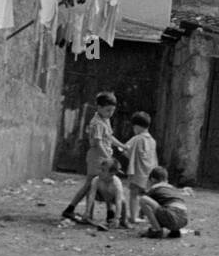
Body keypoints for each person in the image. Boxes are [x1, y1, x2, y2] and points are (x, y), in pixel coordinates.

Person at [61, 92, 127, 221]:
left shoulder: (105, 119)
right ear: (99, 108)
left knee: (107, 181)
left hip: (104, 157)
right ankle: (73, 209)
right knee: (90, 185)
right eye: (108, 110)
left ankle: (109, 213)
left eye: (112, 110)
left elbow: (109, 137)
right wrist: (109, 157)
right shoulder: (97, 123)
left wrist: (122, 145)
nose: (110, 113)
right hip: (97, 158)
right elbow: (98, 143)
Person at [121, 111, 158, 226]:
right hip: (148, 173)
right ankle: (145, 215)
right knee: (147, 195)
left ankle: (133, 217)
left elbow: (124, 150)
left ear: (136, 126)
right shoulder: (152, 141)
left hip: (137, 172)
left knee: (133, 194)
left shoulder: (137, 139)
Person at [140, 166, 190, 239]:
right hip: (184, 219)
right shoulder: (172, 187)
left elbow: (144, 209)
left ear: (152, 179)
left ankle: (157, 231)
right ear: (166, 179)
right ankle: (175, 231)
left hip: (171, 217)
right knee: (166, 205)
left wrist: (140, 214)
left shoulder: (155, 188)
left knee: (143, 199)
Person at [86, 157, 126, 227]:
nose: (99, 172)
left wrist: (116, 218)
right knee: (89, 193)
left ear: (112, 173)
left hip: (113, 198)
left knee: (123, 202)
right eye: (100, 169)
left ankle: (123, 221)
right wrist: (87, 211)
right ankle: (89, 216)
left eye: (103, 170)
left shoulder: (116, 183)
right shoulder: (96, 180)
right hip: (101, 196)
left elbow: (118, 201)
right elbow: (92, 196)